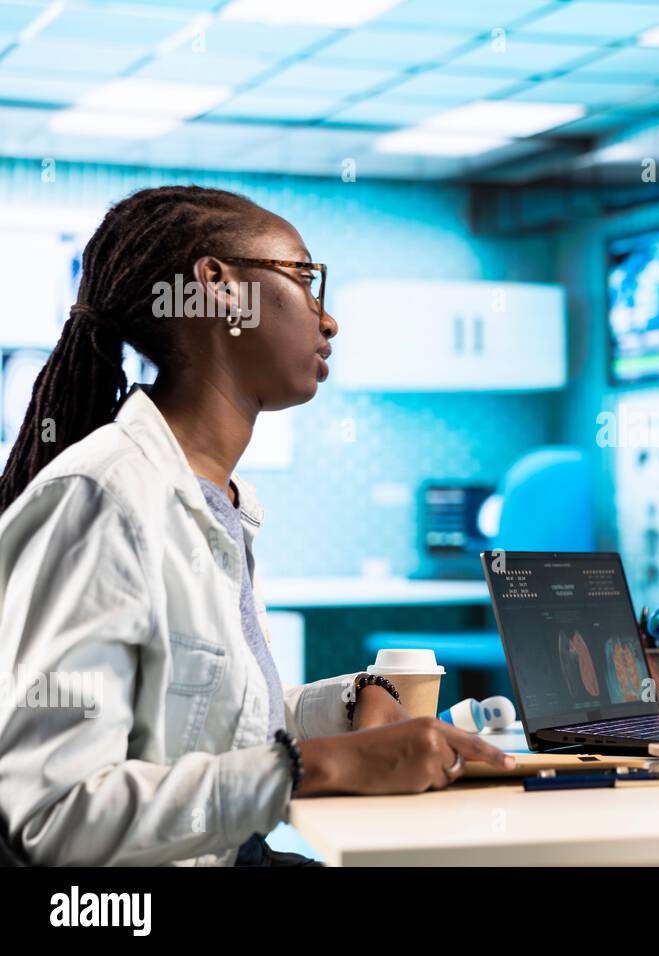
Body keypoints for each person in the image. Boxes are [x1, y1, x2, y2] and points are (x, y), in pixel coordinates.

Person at [0, 186, 513, 867]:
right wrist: (310, 768)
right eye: (304, 278)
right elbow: (53, 819)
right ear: (217, 286)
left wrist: (349, 707)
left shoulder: (210, 496)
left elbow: (198, 728)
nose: (328, 321)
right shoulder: (104, 499)